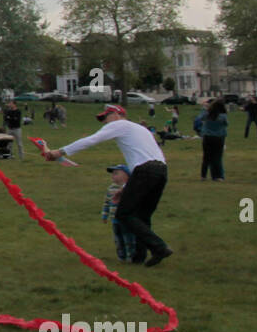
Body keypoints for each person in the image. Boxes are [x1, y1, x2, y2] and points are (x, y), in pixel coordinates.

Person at [45, 105, 172, 266]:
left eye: (106, 117)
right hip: (160, 171)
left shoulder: (120, 124)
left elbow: (91, 140)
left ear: (118, 114)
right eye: (102, 119)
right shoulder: (140, 129)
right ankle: (139, 257)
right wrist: (125, 189)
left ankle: (159, 247)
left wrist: (60, 152)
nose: (105, 122)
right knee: (142, 216)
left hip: (145, 171)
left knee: (124, 214)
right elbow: (145, 157)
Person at [101, 165, 137, 262]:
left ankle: (131, 256)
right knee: (118, 239)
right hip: (114, 220)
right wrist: (104, 215)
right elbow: (107, 203)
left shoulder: (131, 188)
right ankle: (121, 257)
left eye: (116, 173)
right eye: (112, 174)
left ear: (127, 176)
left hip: (126, 220)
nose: (113, 176)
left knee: (128, 238)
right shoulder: (111, 189)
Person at [194, 99, 228, 181]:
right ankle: (218, 176)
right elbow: (226, 124)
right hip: (219, 137)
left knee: (206, 157)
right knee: (217, 157)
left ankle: (203, 176)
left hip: (207, 137)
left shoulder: (207, 114)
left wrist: (204, 108)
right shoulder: (223, 116)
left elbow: (199, 118)